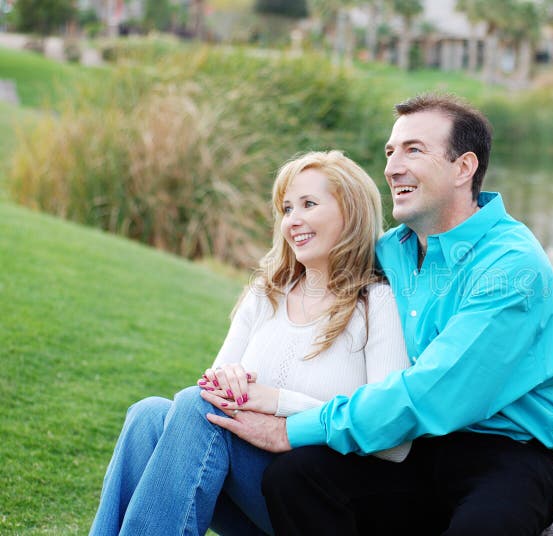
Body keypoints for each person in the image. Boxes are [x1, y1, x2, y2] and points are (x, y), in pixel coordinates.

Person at [206, 93, 553, 535]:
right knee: (296, 478)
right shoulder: (389, 251)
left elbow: (435, 391)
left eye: (413, 150)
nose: (392, 166)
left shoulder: (511, 267)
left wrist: (292, 426)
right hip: (413, 450)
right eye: (390, 151)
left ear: (464, 168)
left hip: (503, 455)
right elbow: (319, 278)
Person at [89, 150, 411, 536]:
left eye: (309, 204)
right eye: (287, 208)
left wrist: (278, 403)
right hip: (246, 485)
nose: (294, 221)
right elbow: (211, 392)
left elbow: (394, 443)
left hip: (314, 505)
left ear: (352, 213)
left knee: (192, 406)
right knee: (148, 415)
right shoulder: (266, 293)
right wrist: (228, 381)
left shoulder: (377, 304)